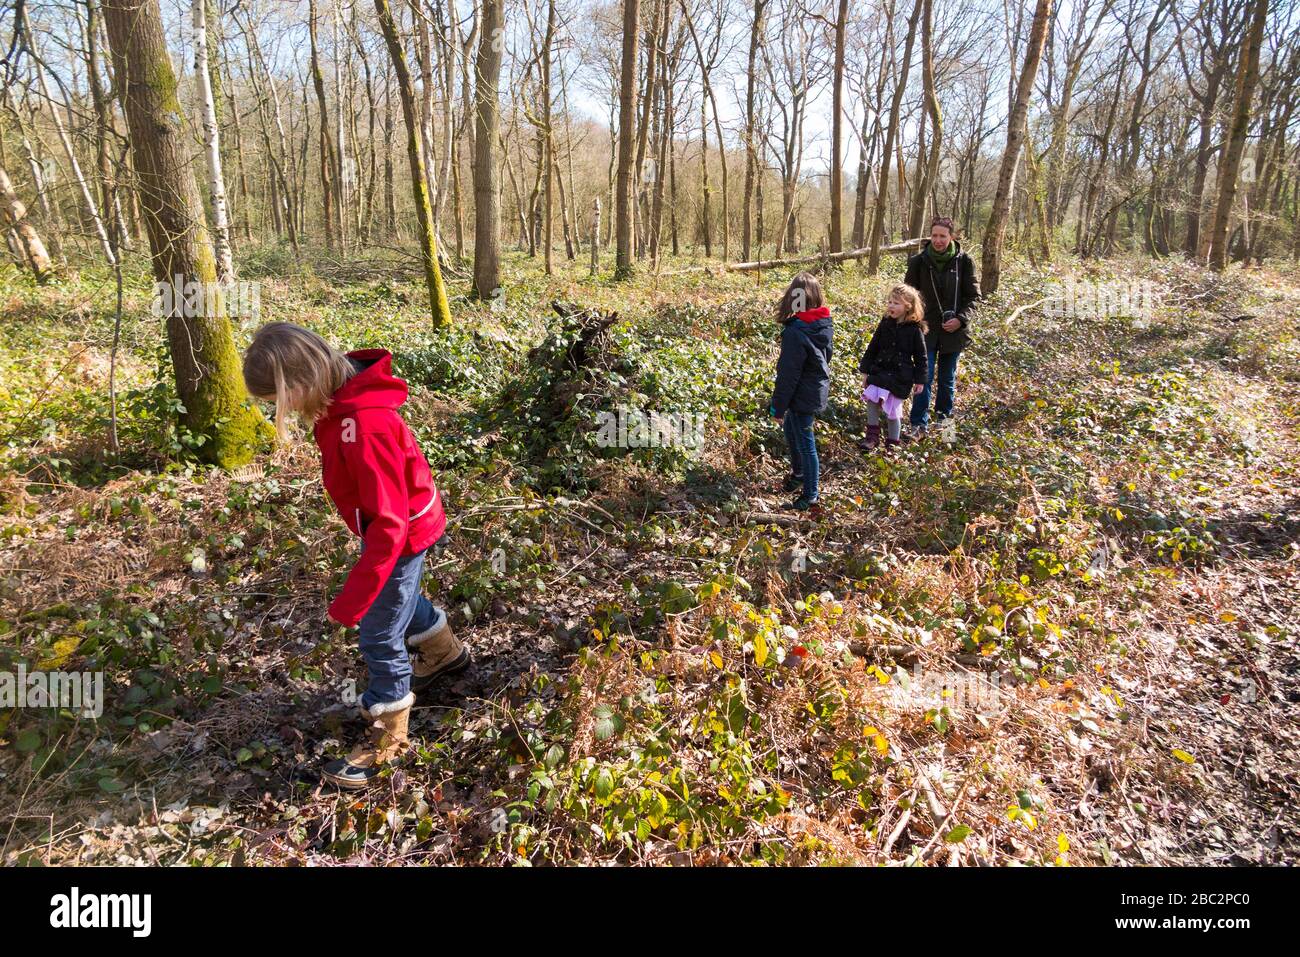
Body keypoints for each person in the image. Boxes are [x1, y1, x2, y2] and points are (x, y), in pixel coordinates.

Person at [242, 322, 470, 789]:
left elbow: (390, 525)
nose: (285, 413)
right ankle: (444, 654)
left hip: (401, 532)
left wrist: (356, 598)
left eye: (281, 403)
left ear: (299, 383)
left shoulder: (364, 424)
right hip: (396, 526)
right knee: (398, 601)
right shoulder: (342, 402)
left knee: (378, 630)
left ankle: (390, 740)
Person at [903, 216, 980, 437]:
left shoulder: (964, 261)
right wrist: (914, 323)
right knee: (923, 378)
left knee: (947, 380)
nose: (938, 240)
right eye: (934, 236)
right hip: (925, 332)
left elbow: (974, 297)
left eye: (942, 236)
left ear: (952, 237)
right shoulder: (918, 262)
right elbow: (908, 296)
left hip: (953, 333)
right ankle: (918, 425)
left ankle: (946, 429)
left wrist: (961, 319)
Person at [769, 272, 834, 511]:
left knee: (806, 443)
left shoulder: (796, 332)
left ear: (793, 298)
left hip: (802, 394)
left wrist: (778, 405)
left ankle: (811, 494)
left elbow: (789, 374)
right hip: (812, 389)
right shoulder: (821, 323)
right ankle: (798, 474)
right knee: (791, 430)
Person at [857, 284, 928, 452]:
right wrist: (866, 371)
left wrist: (920, 380)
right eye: (889, 302)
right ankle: (872, 437)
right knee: (872, 402)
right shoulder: (886, 323)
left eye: (896, 303)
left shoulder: (914, 330)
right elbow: (873, 347)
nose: (890, 306)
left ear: (908, 306)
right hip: (879, 370)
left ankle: (892, 445)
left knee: (893, 412)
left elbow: (921, 357)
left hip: (900, 376)